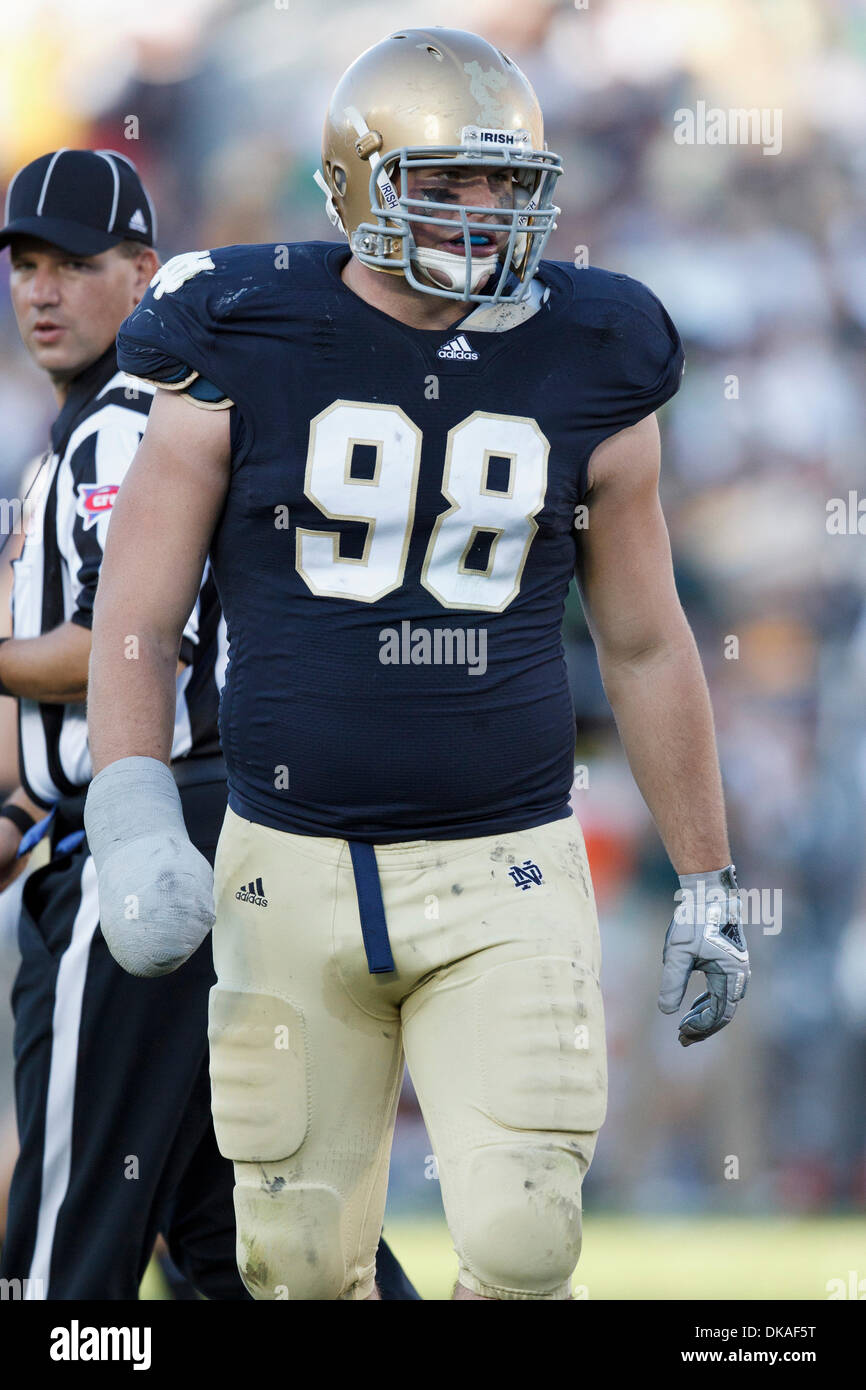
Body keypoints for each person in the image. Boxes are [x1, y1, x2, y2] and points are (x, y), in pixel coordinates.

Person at [85, 28, 750, 1301]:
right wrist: (130, 810)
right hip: (288, 863)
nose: (484, 214)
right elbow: (141, 604)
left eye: (507, 185)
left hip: (503, 861)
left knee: (522, 1240)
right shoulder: (240, 323)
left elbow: (647, 635)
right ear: (353, 179)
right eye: (446, 182)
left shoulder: (593, 346)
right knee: (292, 1263)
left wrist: (709, 874)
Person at [0, 148, 416, 1301]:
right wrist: (25, 801)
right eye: (25, 264)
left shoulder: (125, 426)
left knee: (73, 1210)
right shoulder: (99, 424)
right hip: (173, 826)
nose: (40, 290)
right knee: (233, 1215)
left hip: (146, 834)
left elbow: (128, 645)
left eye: (74, 266)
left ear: (140, 275)